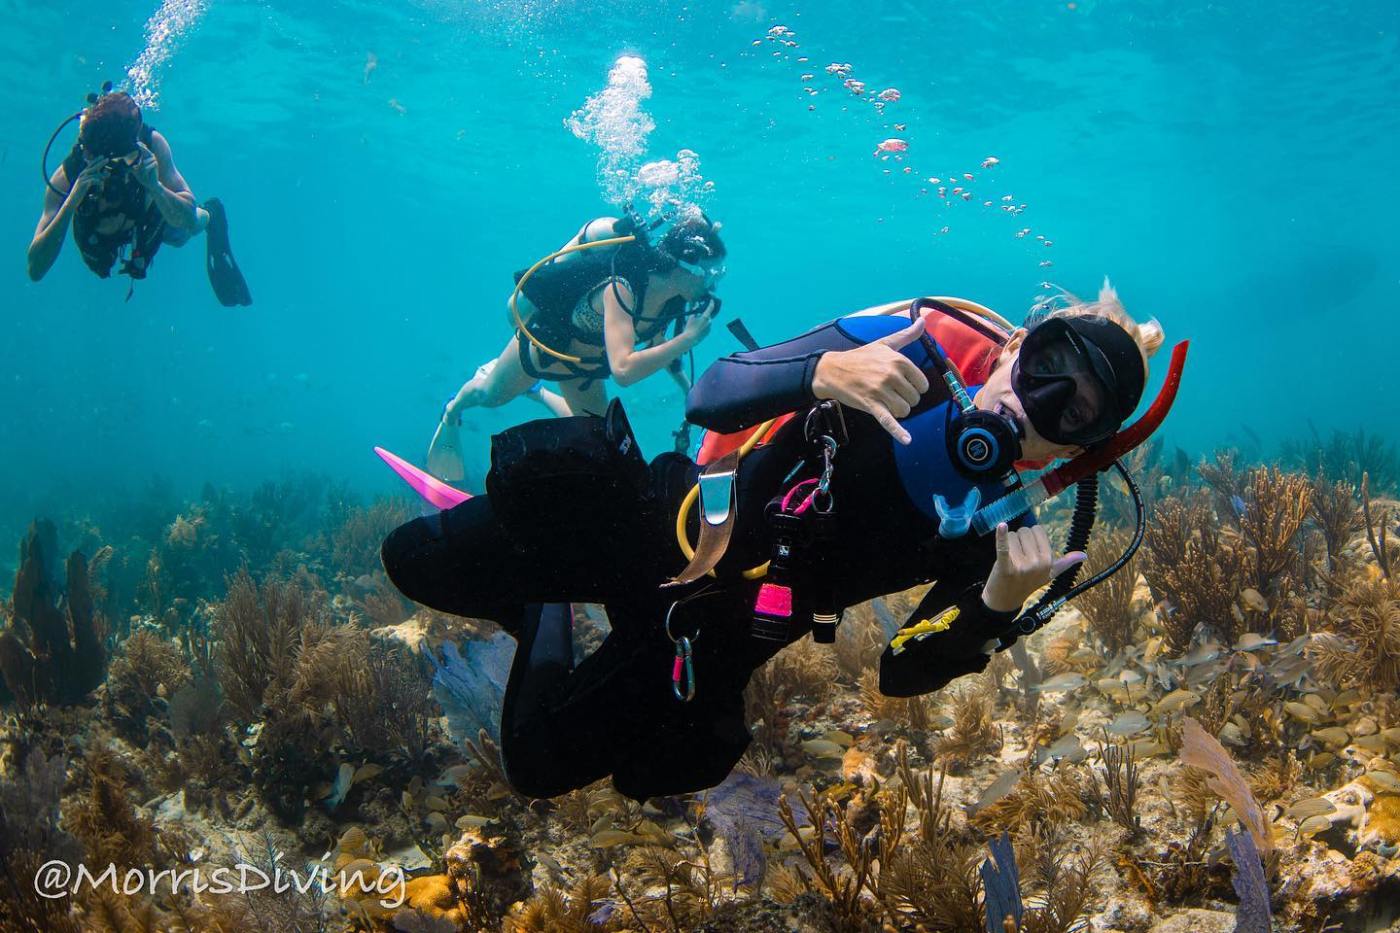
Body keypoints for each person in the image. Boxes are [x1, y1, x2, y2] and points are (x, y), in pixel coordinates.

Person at [381, 282, 1169, 800]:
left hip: (721, 634)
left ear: (1075, 451)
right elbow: (710, 393)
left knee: (537, 762)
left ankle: (541, 604)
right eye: (1044, 369)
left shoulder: (1003, 527)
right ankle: (544, 575)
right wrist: (821, 372)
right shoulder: (913, 342)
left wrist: (996, 603)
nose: (1036, 407)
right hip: (666, 526)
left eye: (1072, 413)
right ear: (1014, 347)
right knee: (412, 561)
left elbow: (899, 674)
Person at [426, 211, 726, 481]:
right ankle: (452, 412)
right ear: (686, 267)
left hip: (585, 371)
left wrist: (688, 388)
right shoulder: (622, 287)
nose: (713, 281)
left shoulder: (669, 302)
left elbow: (659, 349)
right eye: (711, 271)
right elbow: (623, 370)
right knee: (489, 395)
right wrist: (687, 339)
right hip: (541, 351)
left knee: (599, 439)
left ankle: (538, 392)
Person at [28, 88, 251, 306]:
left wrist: (155, 187)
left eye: (122, 161)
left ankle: (212, 216)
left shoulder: (151, 147)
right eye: (103, 163)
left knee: (182, 233)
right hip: (99, 234)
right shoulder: (70, 175)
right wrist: (71, 203)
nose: (113, 173)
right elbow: (36, 269)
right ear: (87, 153)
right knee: (99, 259)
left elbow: (188, 219)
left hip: (148, 217)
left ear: (135, 145)